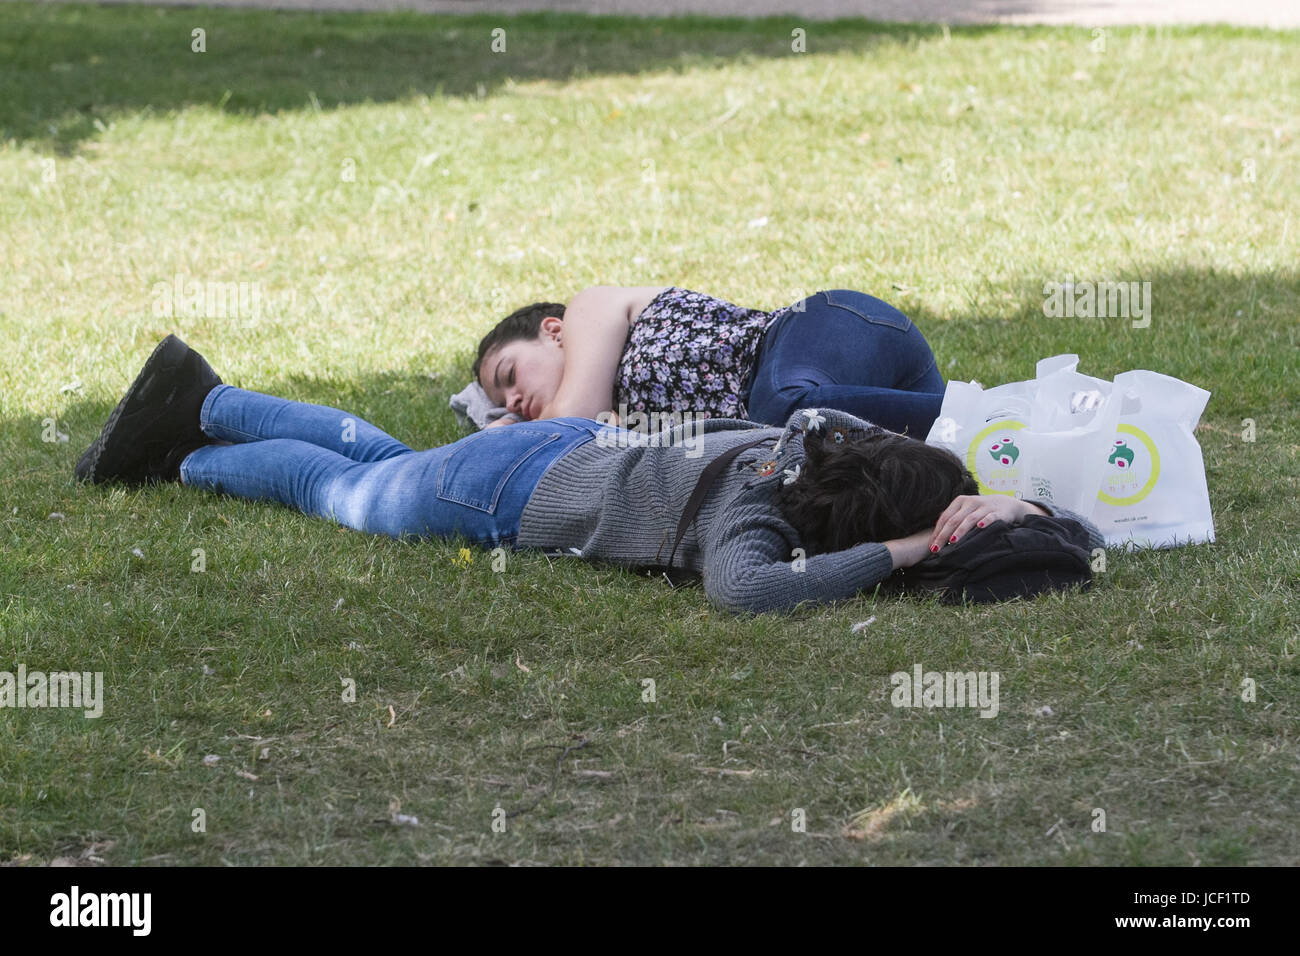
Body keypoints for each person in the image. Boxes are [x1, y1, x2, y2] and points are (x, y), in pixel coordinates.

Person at [75, 336, 1104, 615]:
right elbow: (747, 596)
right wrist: (912, 545)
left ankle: (204, 399)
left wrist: (1001, 498)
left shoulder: (810, 433)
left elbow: (1069, 535)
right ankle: (195, 449)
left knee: (390, 458)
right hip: (518, 496)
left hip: (564, 446)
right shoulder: (756, 523)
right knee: (343, 492)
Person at [472, 286, 947, 437]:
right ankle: (984, 429)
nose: (512, 400)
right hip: (880, 403)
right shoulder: (607, 422)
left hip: (828, 333)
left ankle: (996, 411)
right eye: (504, 403)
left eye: (508, 375)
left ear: (551, 332)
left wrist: (505, 432)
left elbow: (570, 417)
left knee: (783, 414)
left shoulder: (588, 309)